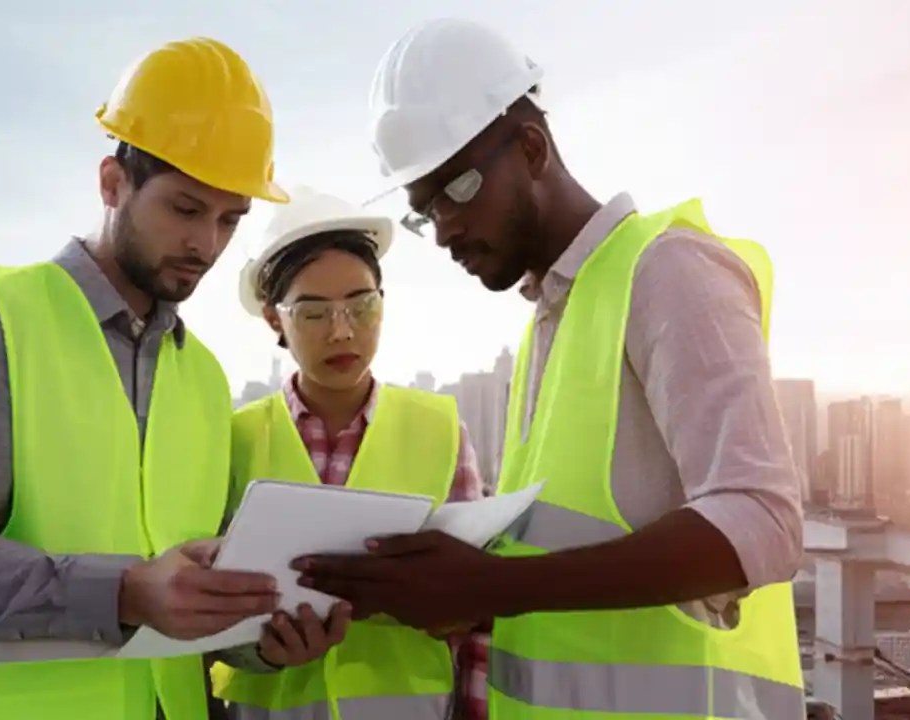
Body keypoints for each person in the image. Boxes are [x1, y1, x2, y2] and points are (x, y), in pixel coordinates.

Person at [295, 18, 807, 720]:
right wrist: (443, 584)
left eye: (457, 190)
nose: (444, 230)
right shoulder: (552, 321)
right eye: (425, 211)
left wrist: (490, 585)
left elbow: (763, 520)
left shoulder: (668, 270)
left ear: (532, 148)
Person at [0, 37, 290, 720]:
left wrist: (264, 641)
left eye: (230, 220)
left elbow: (182, 602)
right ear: (112, 183)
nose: (207, 244)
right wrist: (126, 591)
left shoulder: (201, 376)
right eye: (185, 209)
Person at [207, 187, 489, 720]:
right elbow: (200, 610)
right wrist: (259, 651)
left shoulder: (441, 428)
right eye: (313, 313)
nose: (343, 331)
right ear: (274, 320)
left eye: (362, 306)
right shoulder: (231, 439)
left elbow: (476, 617)